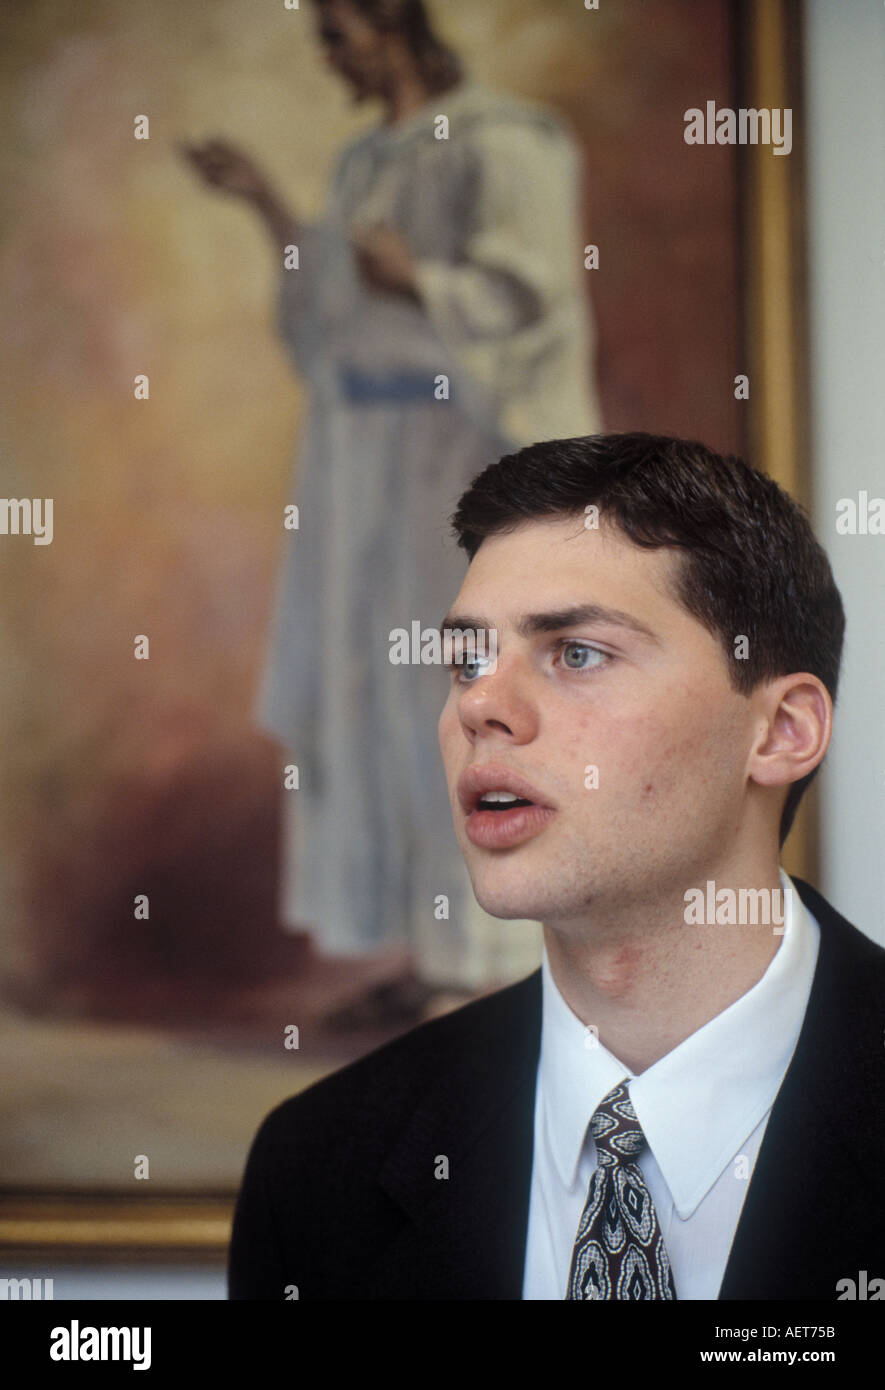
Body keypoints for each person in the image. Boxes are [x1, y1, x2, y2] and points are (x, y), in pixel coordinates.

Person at [228, 432, 885, 1300]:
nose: (479, 706)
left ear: (779, 732)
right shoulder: (317, 1166)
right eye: (465, 660)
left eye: (576, 653)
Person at [181, 0, 601, 1025]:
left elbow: (532, 298)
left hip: (455, 456)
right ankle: (431, 953)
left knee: (459, 698)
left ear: (392, 20)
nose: (328, 56)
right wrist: (267, 206)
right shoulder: (364, 162)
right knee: (376, 704)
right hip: (362, 465)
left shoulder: (506, 142)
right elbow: (332, 306)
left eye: (337, 32)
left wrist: (424, 280)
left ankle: (481, 967)